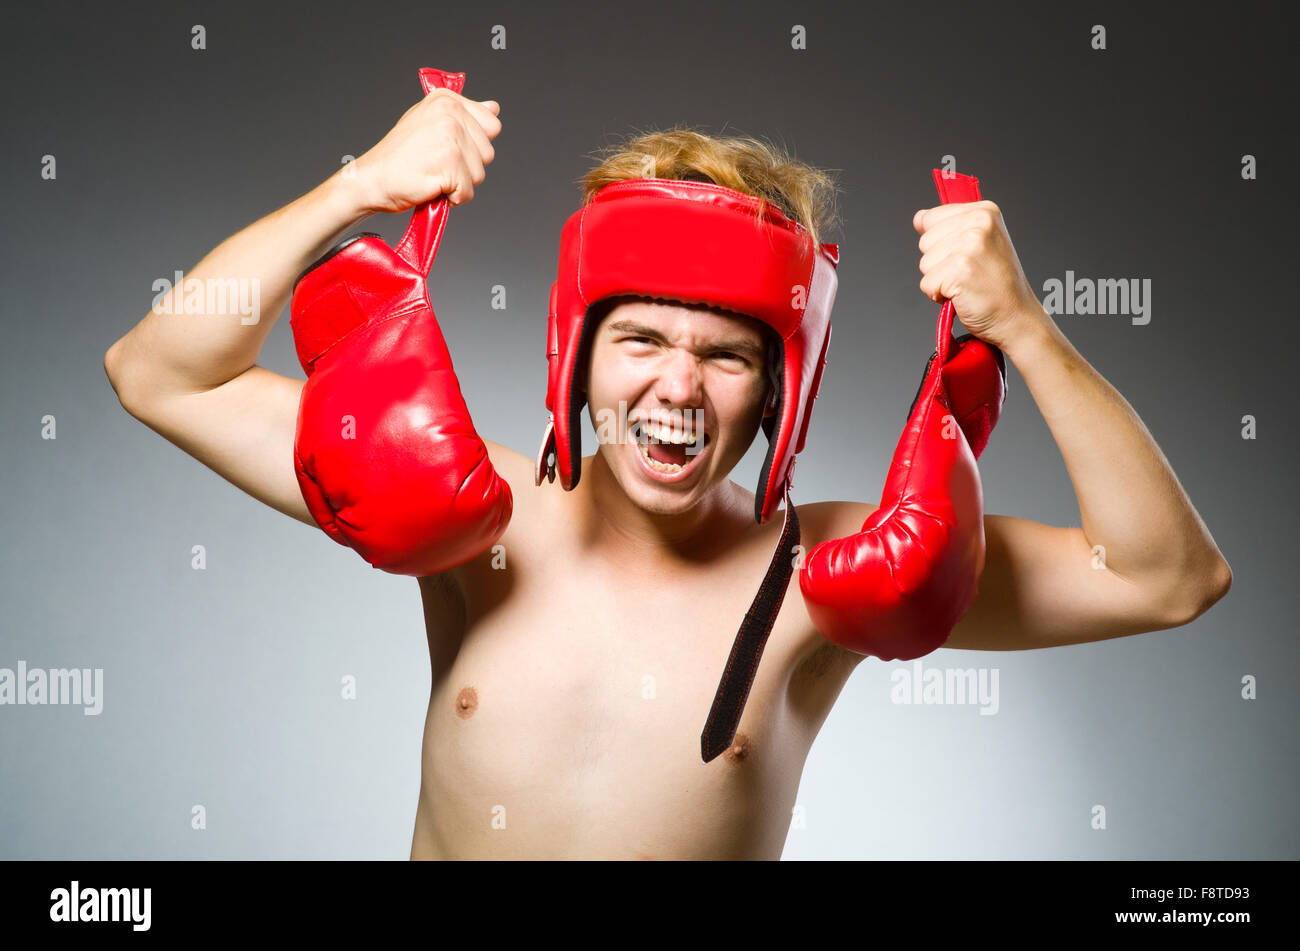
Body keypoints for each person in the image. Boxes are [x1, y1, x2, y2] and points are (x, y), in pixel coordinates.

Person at [104, 81, 1232, 860]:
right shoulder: (475, 519)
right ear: (577, 352)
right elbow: (161, 374)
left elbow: (1163, 577)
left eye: (727, 355)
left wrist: (1026, 327)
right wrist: (359, 188)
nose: (678, 390)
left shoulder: (819, 573)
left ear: (779, 388)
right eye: (641, 340)